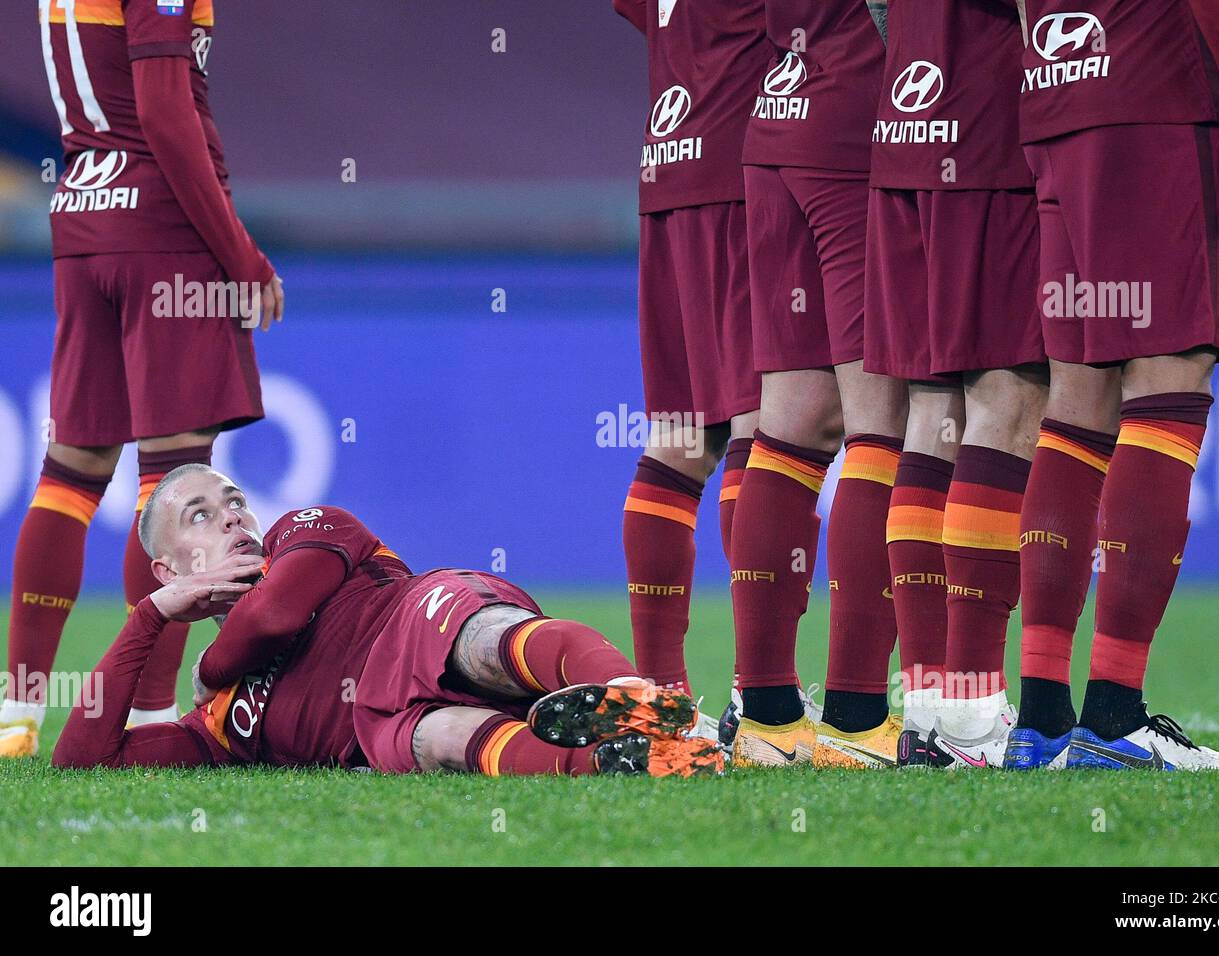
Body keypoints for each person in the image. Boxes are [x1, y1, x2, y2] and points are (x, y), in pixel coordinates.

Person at [1012, 0, 1219, 769]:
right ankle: (1113, 716)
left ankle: (1040, 718)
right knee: (1170, 377)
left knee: (1078, 403)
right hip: (1155, 101)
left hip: (1054, 104)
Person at [1, 0, 283, 758]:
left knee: (71, 472)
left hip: (84, 214)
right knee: (175, 477)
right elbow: (164, 114)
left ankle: (16, 713)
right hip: (159, 228)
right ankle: (151, 715)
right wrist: (241, 255)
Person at [51, 465, 722, 778]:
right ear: (169, 570)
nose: (234, 516)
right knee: (437, 740)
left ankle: (643, 701)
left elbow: (275, 616)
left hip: (411, 620)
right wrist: (150, 616)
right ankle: (631, 762)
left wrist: (205, 666)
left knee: (483, 642)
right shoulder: (220, 728)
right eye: (201, 515)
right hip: (381, 723)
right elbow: (81, 761)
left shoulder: (305, 529)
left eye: (234, 500)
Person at [863, 0, 1048, 768]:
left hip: (907, 123)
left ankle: (933, 708)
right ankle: (973, 716)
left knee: (933, 411)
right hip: (987, 126)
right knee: (1007, 399)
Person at [727, 0, 907, 769]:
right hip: (861, 114)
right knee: (885, 422)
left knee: (793, 420)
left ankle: (767, 713)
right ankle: (860, 720)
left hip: (781, 107)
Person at [612, 0, 769, 698]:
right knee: (764, 427)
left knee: (680, 439)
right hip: (742, 172)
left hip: (667, 171)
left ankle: (661, 694)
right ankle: (762, 695)